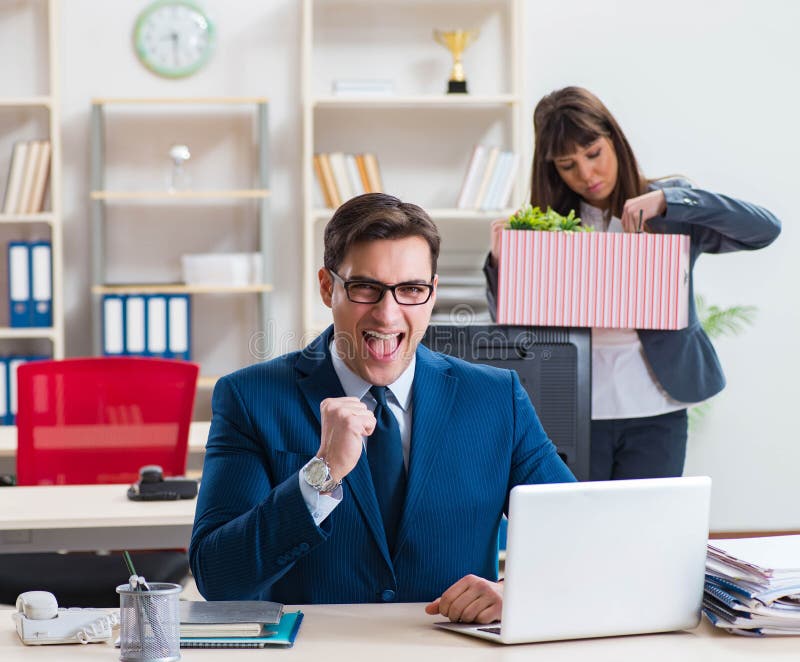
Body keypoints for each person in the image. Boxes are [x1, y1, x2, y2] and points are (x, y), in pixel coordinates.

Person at [190, 192, 575, 624]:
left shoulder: (495, 397)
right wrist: (321, 473)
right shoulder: (250, 398)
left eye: (410, 289)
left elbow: (579, 535)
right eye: (365, 288)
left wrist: (515, 591)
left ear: (432, 293)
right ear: (326, 287)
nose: (388, 315)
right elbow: (218, 577)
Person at [484, 86, 781, 481]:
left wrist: (671, 200)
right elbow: (511, 328)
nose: (586, 174)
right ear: (551, 168)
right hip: (573, 409)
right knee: (578, 530)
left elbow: (764, 229)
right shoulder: (545, 224)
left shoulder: (668, 208)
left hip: (658, 405)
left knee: (650, 531)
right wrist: (502, 263)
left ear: (614, 141)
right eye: (567, 165)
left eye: (593, 154)